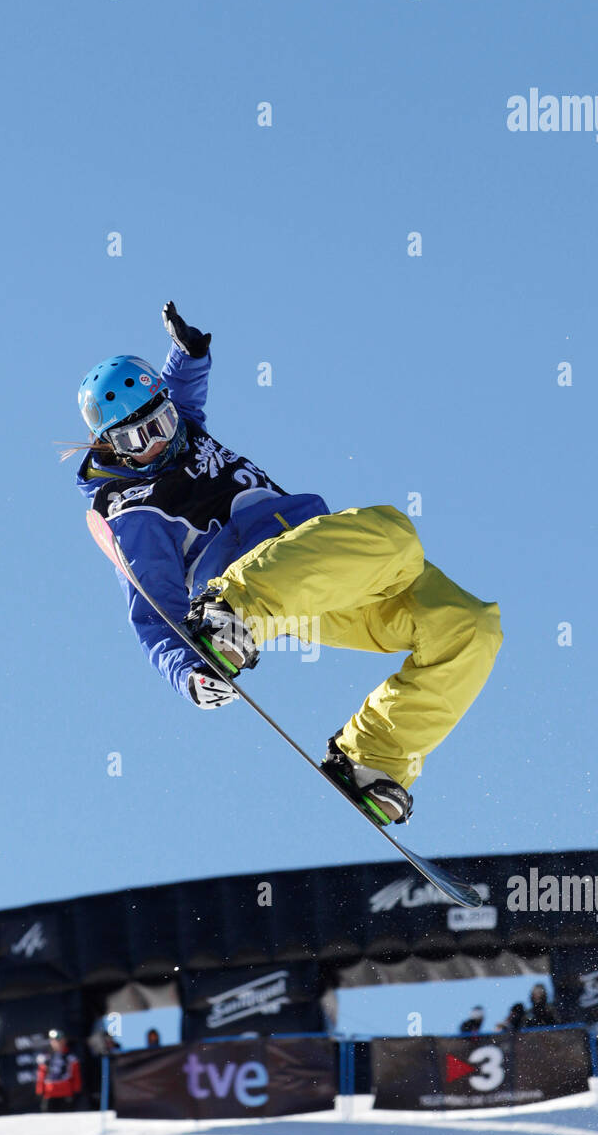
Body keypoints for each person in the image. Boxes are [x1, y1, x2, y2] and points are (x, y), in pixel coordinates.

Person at [71, 303, 502, 826]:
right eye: (134, 441)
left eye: (159, 422)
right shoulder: (132, 513)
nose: (157, 443)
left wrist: (188, 353)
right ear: (109, 446)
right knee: (395, 533)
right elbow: (151, 609)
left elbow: (180, 389)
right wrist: (186, 670)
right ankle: (228, 614)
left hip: (323, 570)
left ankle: (371, 760)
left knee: (468, 628)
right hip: (262, 586)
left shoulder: (184, 428)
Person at [36, 1030, 83, 1112]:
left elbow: (76, 1075)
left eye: (60, 1040)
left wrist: (76, 1090)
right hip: (50, 1093)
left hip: (66, 1093)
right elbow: (41, 1075)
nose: (57, 1043)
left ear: (64, 1041)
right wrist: (40, 1090)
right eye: (54, 1041)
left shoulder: (70, 1057)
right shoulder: (45, 1057)